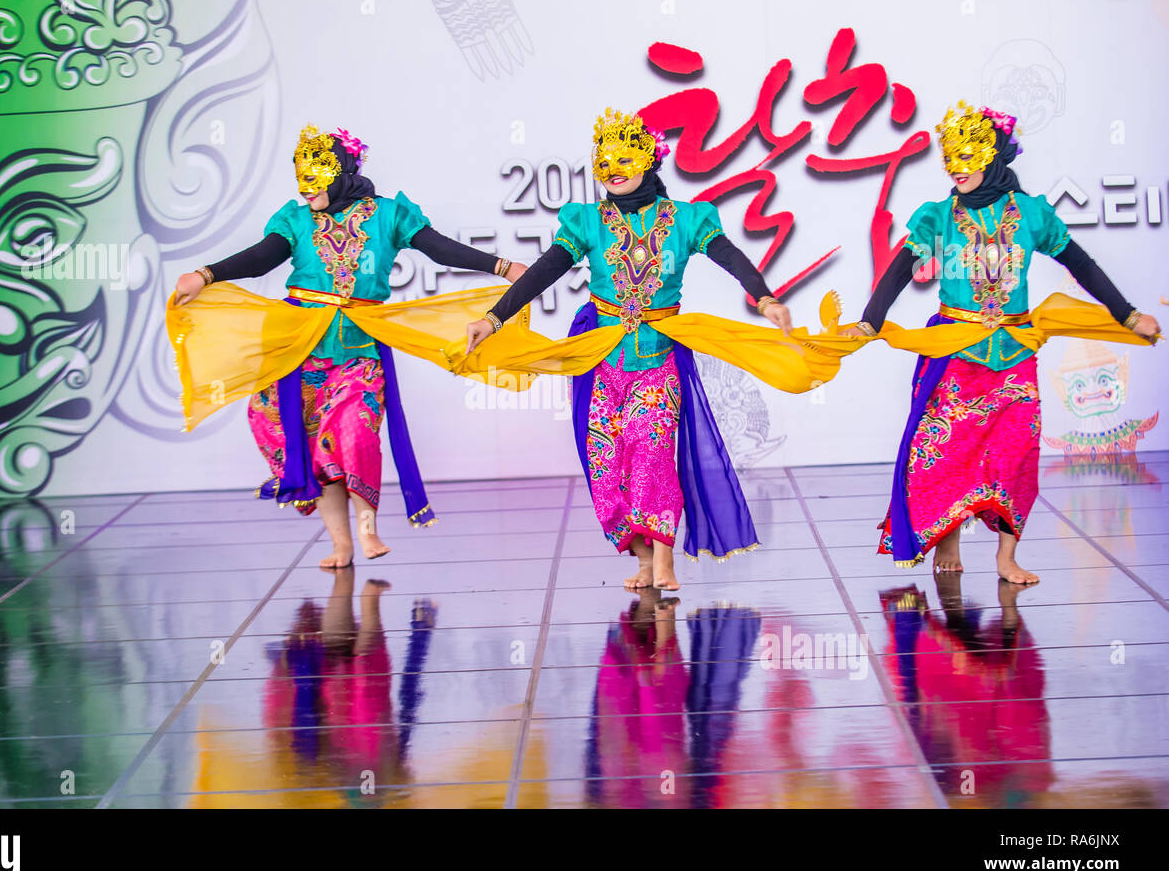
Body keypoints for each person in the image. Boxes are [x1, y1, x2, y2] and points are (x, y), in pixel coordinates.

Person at [464, 109, 793, 590]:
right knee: (607, 461)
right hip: (602, 363)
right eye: (604, 159)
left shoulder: (684, 220)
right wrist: (493, 318)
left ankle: (664, 559)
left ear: (649, 160)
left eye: (624, 157)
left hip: (659, 360)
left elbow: (729, 255)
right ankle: (641, 559)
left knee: (654, 452)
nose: (613, 168)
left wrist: (764, 297)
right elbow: (546, 270)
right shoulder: (588, 223)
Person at [171, 126, 526, 567]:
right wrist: (205, 274)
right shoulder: (297, 221)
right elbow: (262, 256)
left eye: (316, 178)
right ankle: (341, 545)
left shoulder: (387, 215)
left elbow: (438, 249)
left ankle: (368, 532)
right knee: (303, 442)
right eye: (301, 179)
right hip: (296, 349)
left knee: (353, 434)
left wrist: (502, 265)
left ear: (339, 172)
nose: (307, 190)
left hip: (359, 352)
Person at [843, 103, 1160, 583]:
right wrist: (869, 322)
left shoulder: (1030, 214)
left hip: (1015, 352)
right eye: (950, 158)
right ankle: (947, 535)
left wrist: (1128, 313)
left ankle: (1006, 558)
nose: (956, 167)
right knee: (945, 451)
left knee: (1015, 454)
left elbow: (1082, 265)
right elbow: (901, 270)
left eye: (967, 156)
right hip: (954, 351)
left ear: (992, 157)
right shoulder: (938, 218)